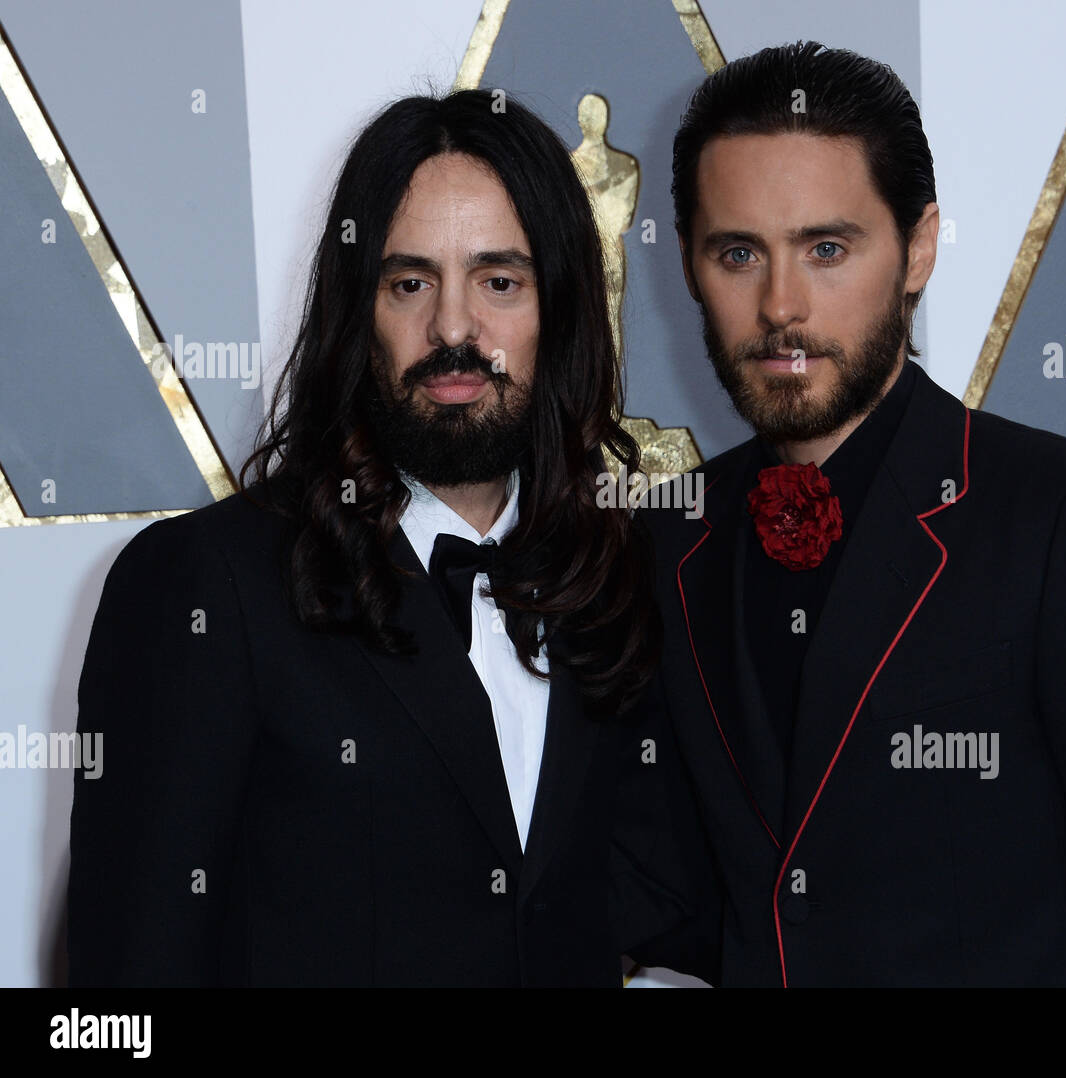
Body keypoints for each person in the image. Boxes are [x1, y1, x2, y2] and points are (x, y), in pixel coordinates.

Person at [640, 41, 1066, 986]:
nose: (781, 305)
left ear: (919, 246)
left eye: (826, 248)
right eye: (739, 253)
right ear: (688, 263)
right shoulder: (669, 538)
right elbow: (667, 895)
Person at [68, 89, 693, 986]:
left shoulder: (618, 578)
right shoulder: (207, 582)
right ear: (357, 316)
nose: (452, 328)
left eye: (499, 281)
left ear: (559, 311)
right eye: (410, 283)